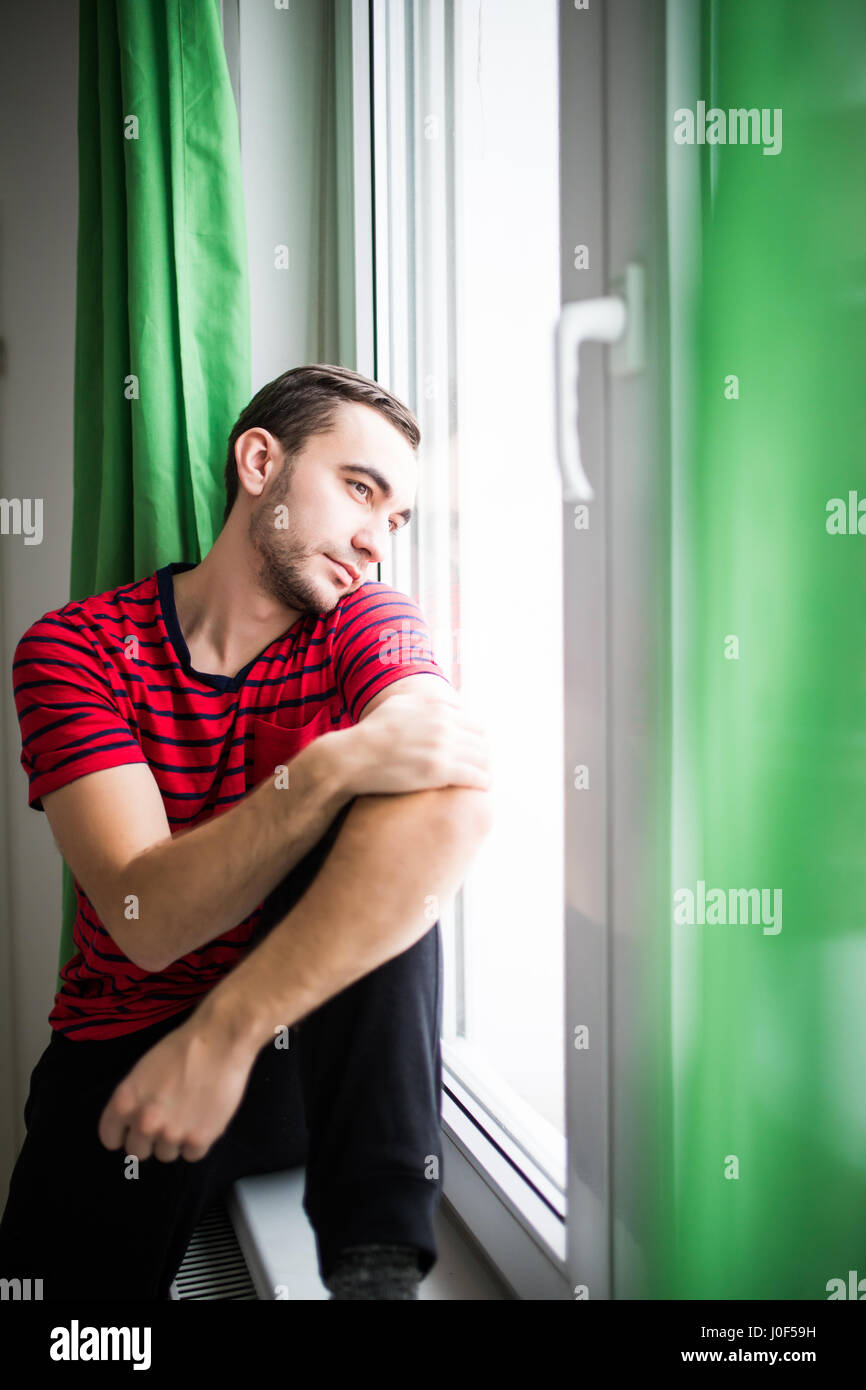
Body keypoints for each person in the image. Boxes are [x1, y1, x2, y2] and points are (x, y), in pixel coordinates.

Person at [0, 363, 493, 1301]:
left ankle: (376, 1272)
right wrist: (321, 770)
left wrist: (226, 1032)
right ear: (260, 461)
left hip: (295, 1041)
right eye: (360, 489)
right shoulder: (77, 649)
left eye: (395, 521)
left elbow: (454, 795)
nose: (373, 543)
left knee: (394, 822)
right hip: (124, 1047)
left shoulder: (367, 620)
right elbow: (144, 919)